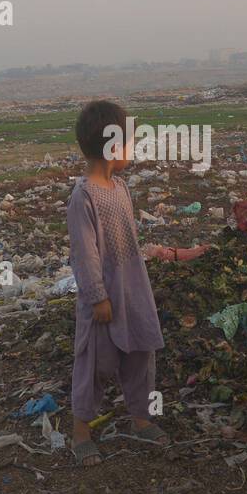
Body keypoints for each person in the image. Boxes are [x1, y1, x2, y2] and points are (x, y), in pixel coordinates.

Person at [66, 100, 168, 466]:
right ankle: (81, 432)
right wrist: (97, 297)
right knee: (96, 363)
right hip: (104, 298)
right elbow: (85, 253)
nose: (133, 150)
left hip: (133, 290)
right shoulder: (84, 197)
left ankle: (141, 418)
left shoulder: (120, 187)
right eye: (129, 143)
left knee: (141, 352)